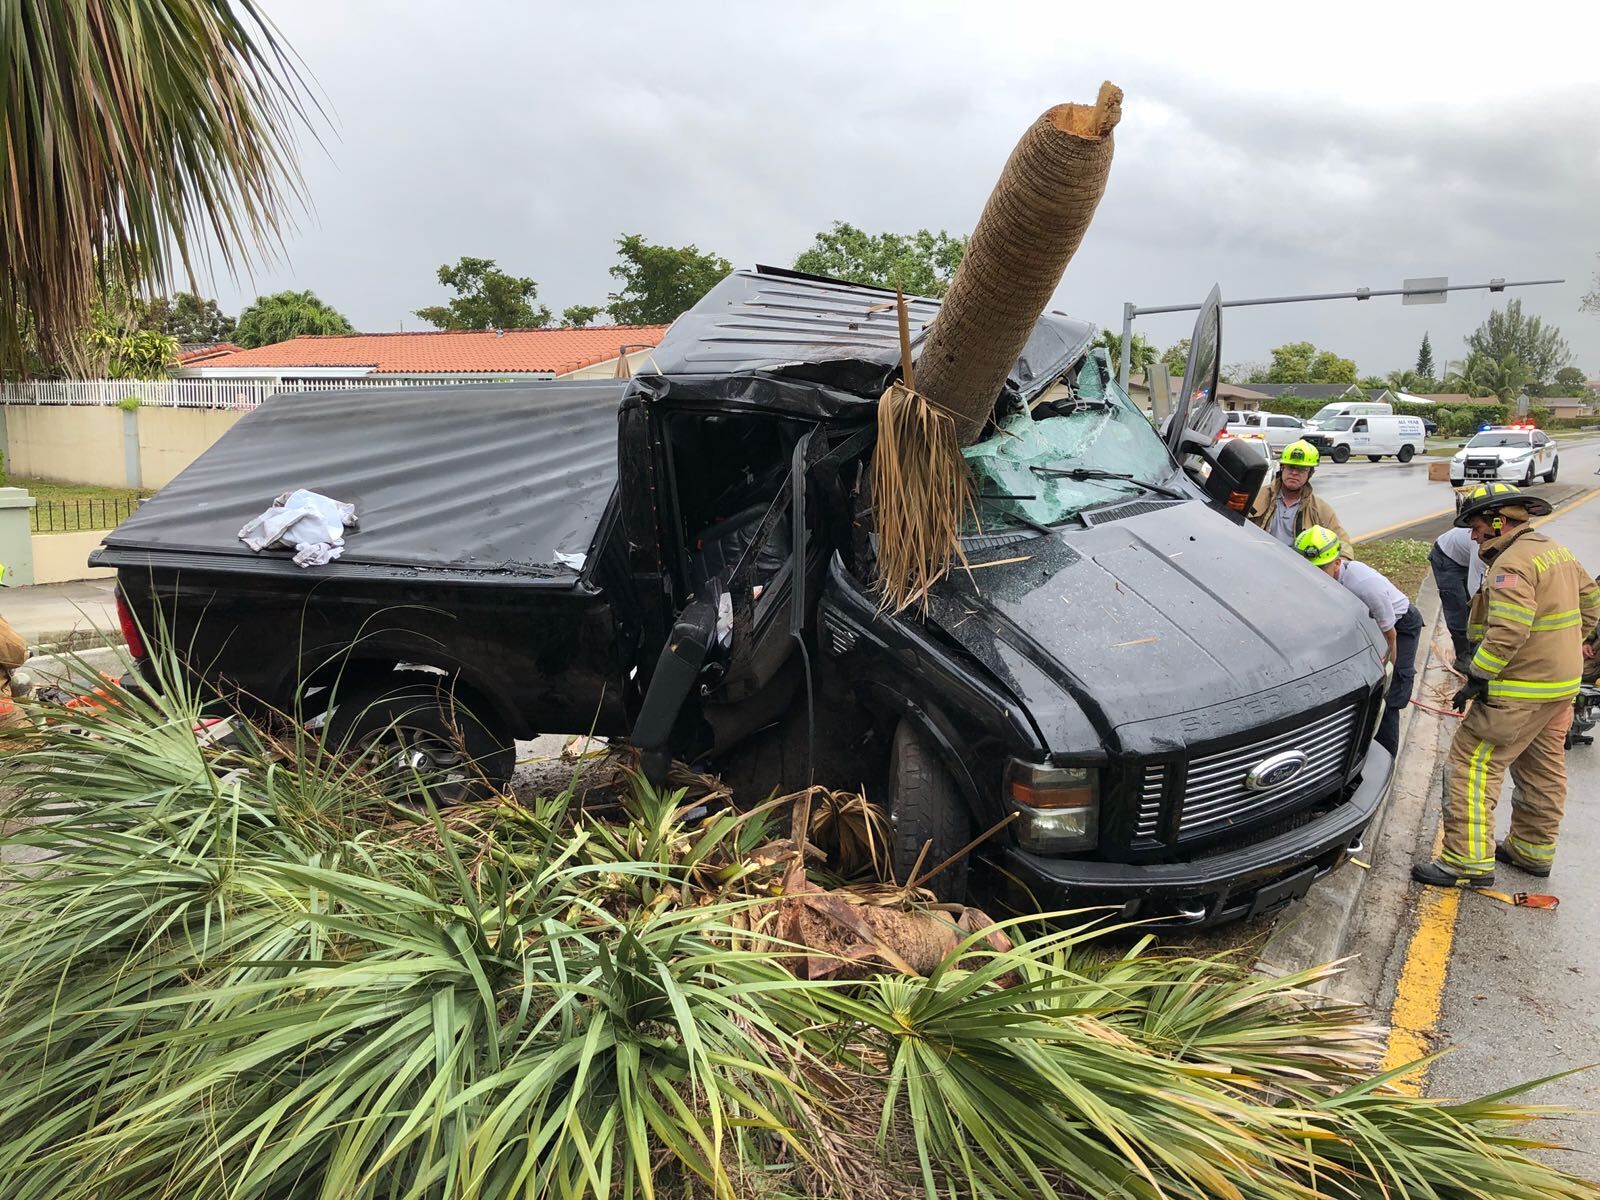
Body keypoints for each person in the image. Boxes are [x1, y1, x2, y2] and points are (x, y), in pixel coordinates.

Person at [1413, 483, 1600, 887]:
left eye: (1477, 526)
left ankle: (1466, 861)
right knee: (1541, 766)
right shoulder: (1555, 550)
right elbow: (1592, 604)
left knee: (1471, 764)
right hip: (1560, 687)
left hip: (1518, 690)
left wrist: (1478, 676)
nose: (1473, 536)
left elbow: (1507, 632)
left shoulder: (1510, 565)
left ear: (1499, 522)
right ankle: (1532, 850)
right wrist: (1565, 649)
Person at [1293, 525, 1422, 756]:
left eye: (1321, 569)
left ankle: (1386, 755)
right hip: (1362, 622)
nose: (1314, 575)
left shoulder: (1364, 586)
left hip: (1399, 626)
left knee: (1389, 694)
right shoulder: (1314, 579)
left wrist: (1388, 671)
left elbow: (1389, 634)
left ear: (1337, 563)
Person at [1249, 440, 1352, 557]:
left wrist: (1341, 562)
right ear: (1282, 468)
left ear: (1310, 473)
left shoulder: (1319, 509)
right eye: (1290, 467)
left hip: (1298, 566)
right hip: (1260, 559)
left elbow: (1342, 543)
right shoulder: (1257, 496)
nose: (1294, 473)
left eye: (1301, 469)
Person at [1429, 510, 1485, 674]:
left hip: (1464, 558)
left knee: (1470, 607)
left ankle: (1473, 648)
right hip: (1446, 557)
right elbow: (1475, 590)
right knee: (1458, 606)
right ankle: (1462, 657)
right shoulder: (1480, 545)